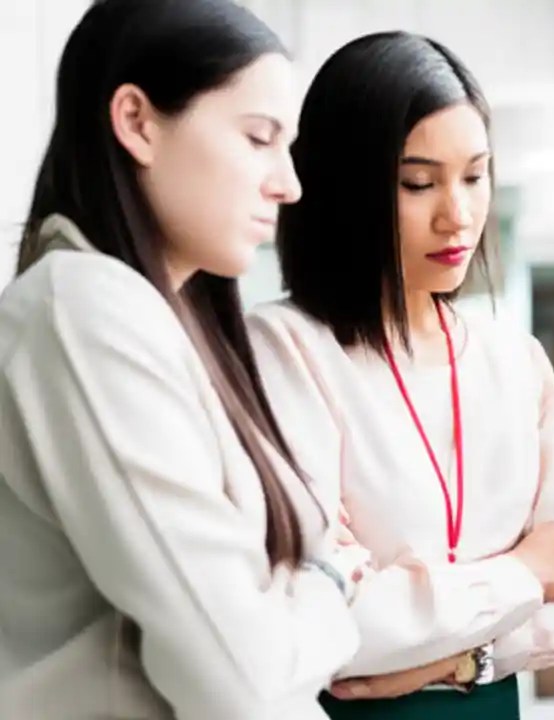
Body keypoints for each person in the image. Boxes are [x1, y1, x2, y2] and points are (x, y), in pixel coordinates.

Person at [0, 1, 369, 718]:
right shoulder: (81, 309)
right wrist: (327, 586)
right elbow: (238, 674)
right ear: (137, 121)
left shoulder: (159, 320)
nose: (288, 184)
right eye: (259, 138)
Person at [246, 32, 554, 720]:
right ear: (345, 189)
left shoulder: (514, 359)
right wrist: (529, 570)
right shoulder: (284, 348)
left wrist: (462, 658)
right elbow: (331, 625)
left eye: (474, 175)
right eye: (418, 183)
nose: (458, 214)